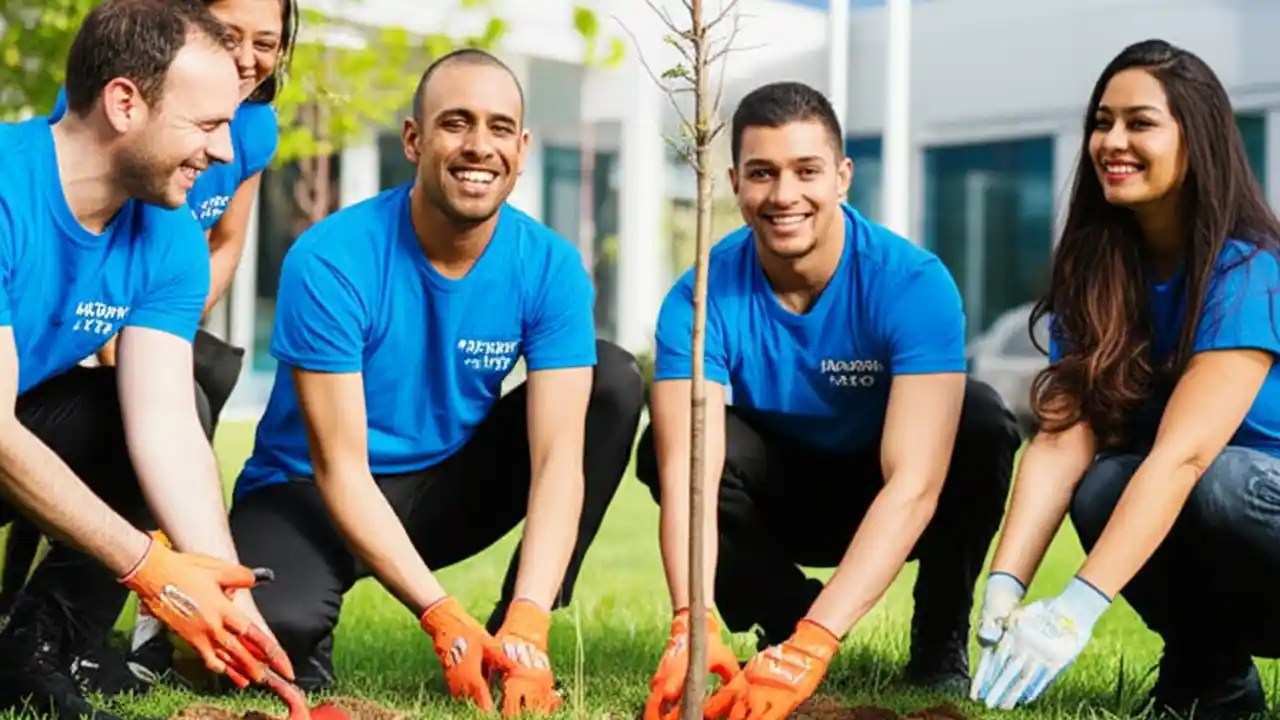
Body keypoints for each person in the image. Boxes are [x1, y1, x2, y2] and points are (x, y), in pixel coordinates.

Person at [226, 47, 645, 716]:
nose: (480, 146)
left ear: (524, 147)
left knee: (613, 381)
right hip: (311, 494)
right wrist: (440, 616)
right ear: (414, 138)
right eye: (456, 123)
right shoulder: (332, 259)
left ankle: (510, 633)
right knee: (273, 636)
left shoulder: (549, 267)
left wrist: (531, 621)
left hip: (444, 487)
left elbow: (559, 462)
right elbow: (340, 470)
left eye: (500, 128)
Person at [634, 80, 1022, 720]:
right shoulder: (699, 295)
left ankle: (937, 642)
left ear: (842, 176)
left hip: (886, 492)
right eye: (762, 173)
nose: (784, 195)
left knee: (979, 420)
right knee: (670, 447)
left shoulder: (911, 284)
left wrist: (822, 643)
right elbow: (688, 479)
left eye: (805, 171)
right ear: (735, 181)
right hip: (777, 497)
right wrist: (689, 623)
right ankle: (783, 621)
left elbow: (916, 483)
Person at [969, 39, 1280, 720]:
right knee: (1106, 482)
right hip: (1218, 518)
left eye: (1140, 123)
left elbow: (1186, 456)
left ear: (1194, 140)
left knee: (1220, 482)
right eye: (1101, 122)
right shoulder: (1096, 274)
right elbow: (1058, 443)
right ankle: (1215, 682)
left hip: (1258, 510)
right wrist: (1004, 585)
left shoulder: (1246, 270)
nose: (1112, 140)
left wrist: (1077, 608)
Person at [0, 1, 294, 719]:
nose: (227, 152)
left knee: (178, 403)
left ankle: (32, 655)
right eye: (208, 125)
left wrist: (225, 594)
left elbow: (164, 425)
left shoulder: (169, 236)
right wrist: (151, 569)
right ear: (125, 102)